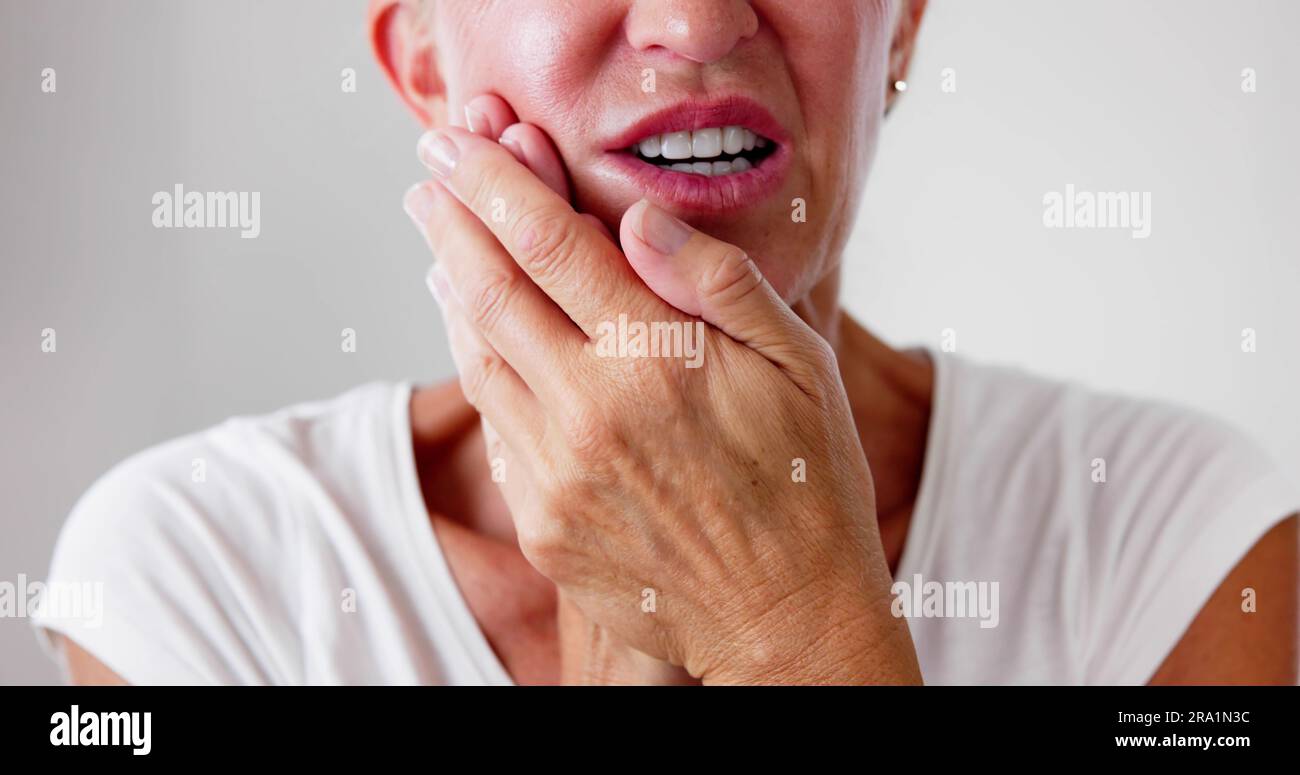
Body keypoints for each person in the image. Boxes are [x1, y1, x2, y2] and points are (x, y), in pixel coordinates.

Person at [35, 0, 1298, 685]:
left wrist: (790, 628)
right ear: (420, 58)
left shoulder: (1183, 545)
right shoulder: (191, 577)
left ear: (901, 30)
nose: (695, 24)